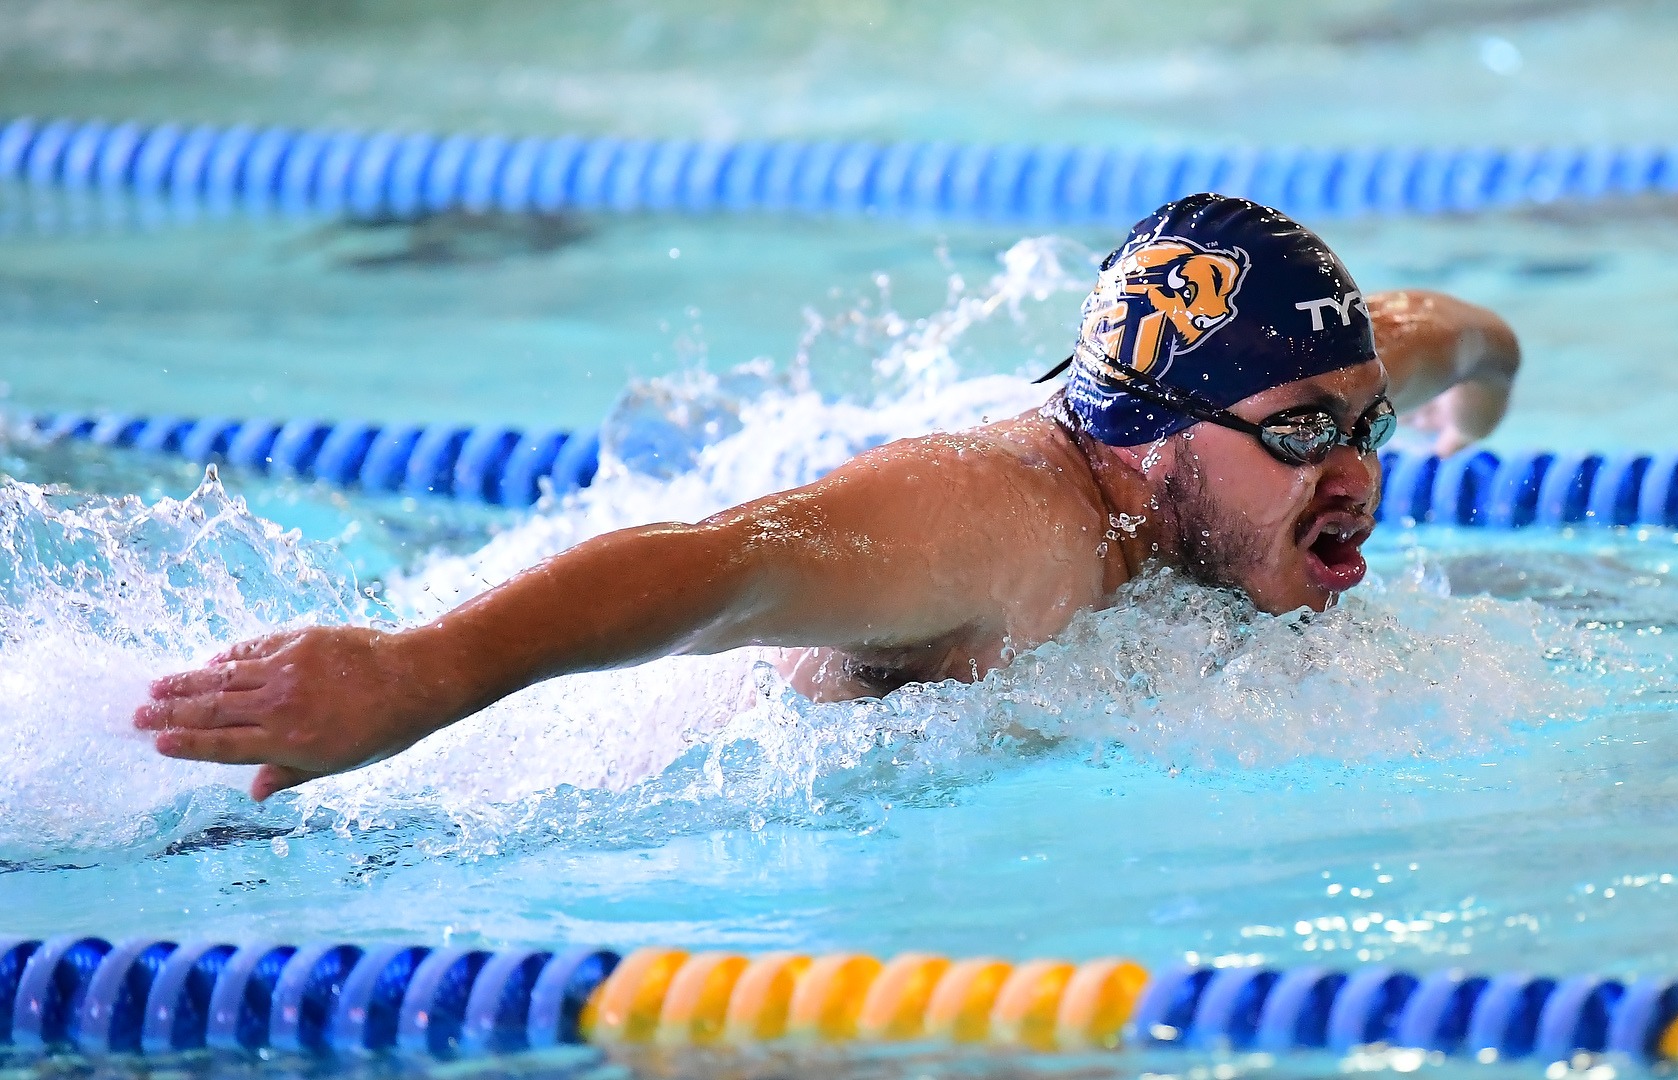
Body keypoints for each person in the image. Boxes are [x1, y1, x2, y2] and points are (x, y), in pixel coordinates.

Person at [135, 193, 1520, 800]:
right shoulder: (1001, 530)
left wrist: (1471, 386)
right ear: (1156, 439)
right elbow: (721, 565)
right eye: (1305, 437)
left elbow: (1444, 330)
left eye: (1371, 426)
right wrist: (419, 670)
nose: (1355, 476)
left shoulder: (1276, 399)